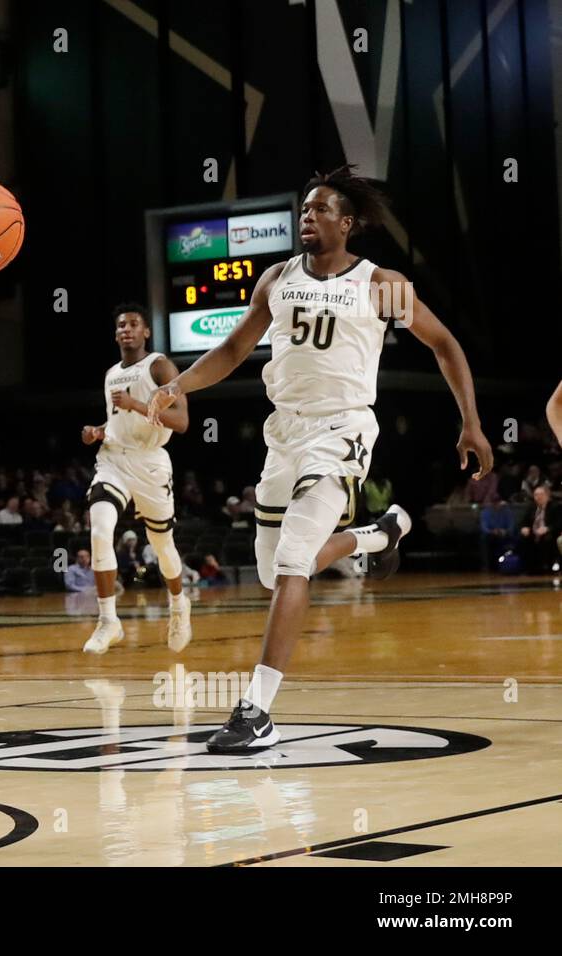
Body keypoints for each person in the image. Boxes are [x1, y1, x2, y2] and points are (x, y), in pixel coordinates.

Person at [148, 165, 492, 753]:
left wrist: (472, 422)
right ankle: (376, 535)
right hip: (284, 434)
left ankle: (256, 710)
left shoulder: (381, 283)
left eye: (320, 209)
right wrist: (179, 385)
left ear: (348, 222)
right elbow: (234, 348)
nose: (307, 217)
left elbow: (444, 343)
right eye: (304, 210)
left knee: (292, 563)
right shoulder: (276, 278)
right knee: (274, 572)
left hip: (342, 430)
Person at [80, 303, 192, 654]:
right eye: (120, 325)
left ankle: (178, 604)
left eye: (133, 324)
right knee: (99, 530)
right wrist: (98, 431)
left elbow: (182, 421)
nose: (126, 329)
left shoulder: (159, 366)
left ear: (146, 332)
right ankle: (108, 620)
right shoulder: (111, 372)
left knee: (163, 547)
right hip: (113, 459)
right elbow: (117, 422)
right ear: (115, 335)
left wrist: (136, 405)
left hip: (151, 464)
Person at [517, 484, 560, 573]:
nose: (538, 497)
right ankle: (528, 568)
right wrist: (524, 528)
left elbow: (559, 523)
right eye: (536, 495)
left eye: (541, 495)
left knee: (546, 538)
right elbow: (523, 521)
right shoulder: (531, 507)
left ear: (547, 496)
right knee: (522, 538)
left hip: (549, 533)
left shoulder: (556, 507)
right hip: (534, 532)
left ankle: (546, 566)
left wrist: (547, 528)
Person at [478, 496, 516, 570]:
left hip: (504, 534)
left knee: (511, 537)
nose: (496, 504)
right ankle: (486, 566)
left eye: (498, 502)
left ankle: (505, 564)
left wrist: (505, 531)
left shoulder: (506, 511)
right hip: (490, 535)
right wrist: (492, 531)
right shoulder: (485, 512)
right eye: (494, 502)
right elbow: (484, 527)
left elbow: (511, 525)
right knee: (484, 539)